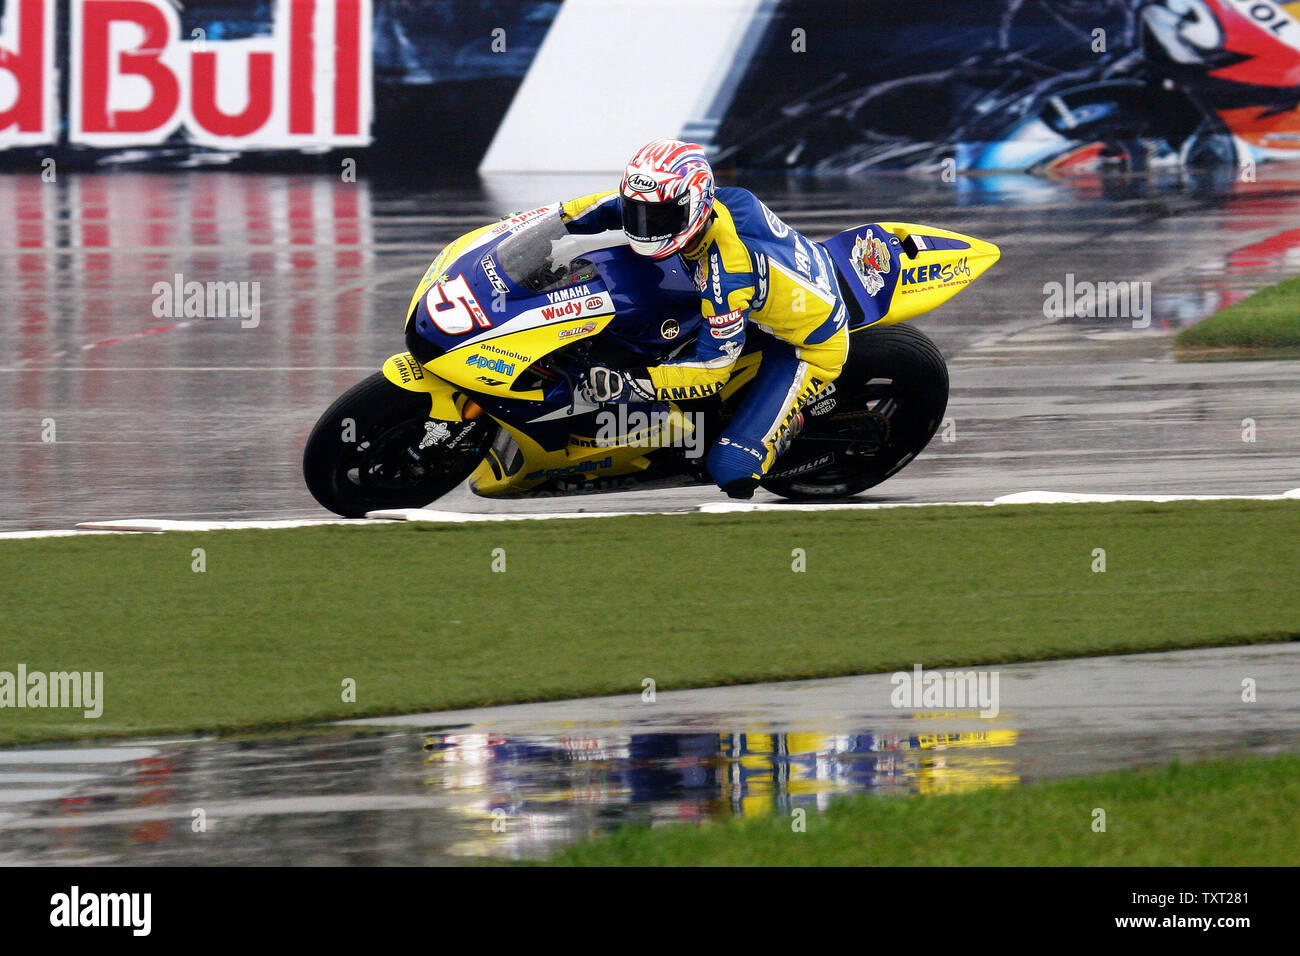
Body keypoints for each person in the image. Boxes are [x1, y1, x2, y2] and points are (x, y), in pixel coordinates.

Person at [562, 139, 850, 499]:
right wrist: (544, 223)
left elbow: (713, 371)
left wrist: (631, 384)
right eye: (638, 213)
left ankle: (789, 427)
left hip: (805, 346)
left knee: (732, 471)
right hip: (776, 293)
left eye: (658, 219)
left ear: (695, 207)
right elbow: (608, 205)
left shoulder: (726, 277)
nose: (644, 226)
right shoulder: (705, 203)